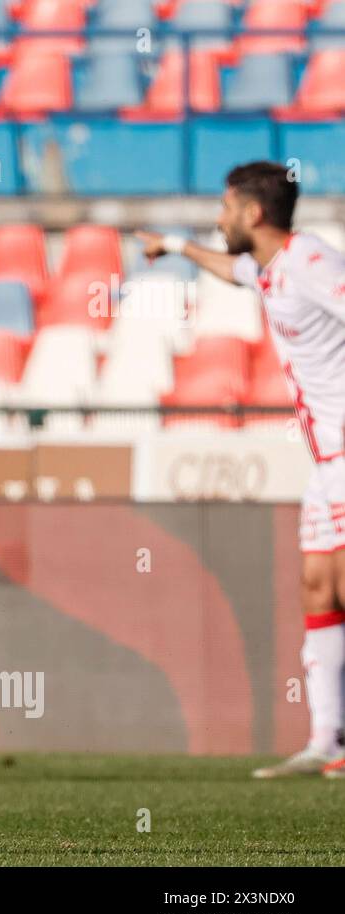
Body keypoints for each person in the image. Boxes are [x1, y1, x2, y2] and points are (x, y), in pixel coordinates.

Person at [138, 161, 345, 778]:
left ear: (253, 214)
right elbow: (235, 272)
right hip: (325, 463)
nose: (218, 217)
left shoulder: (310, 262)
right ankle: (327, 741)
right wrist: (174, 245)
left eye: (225, 208)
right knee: (319, 589)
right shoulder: (271, 269)